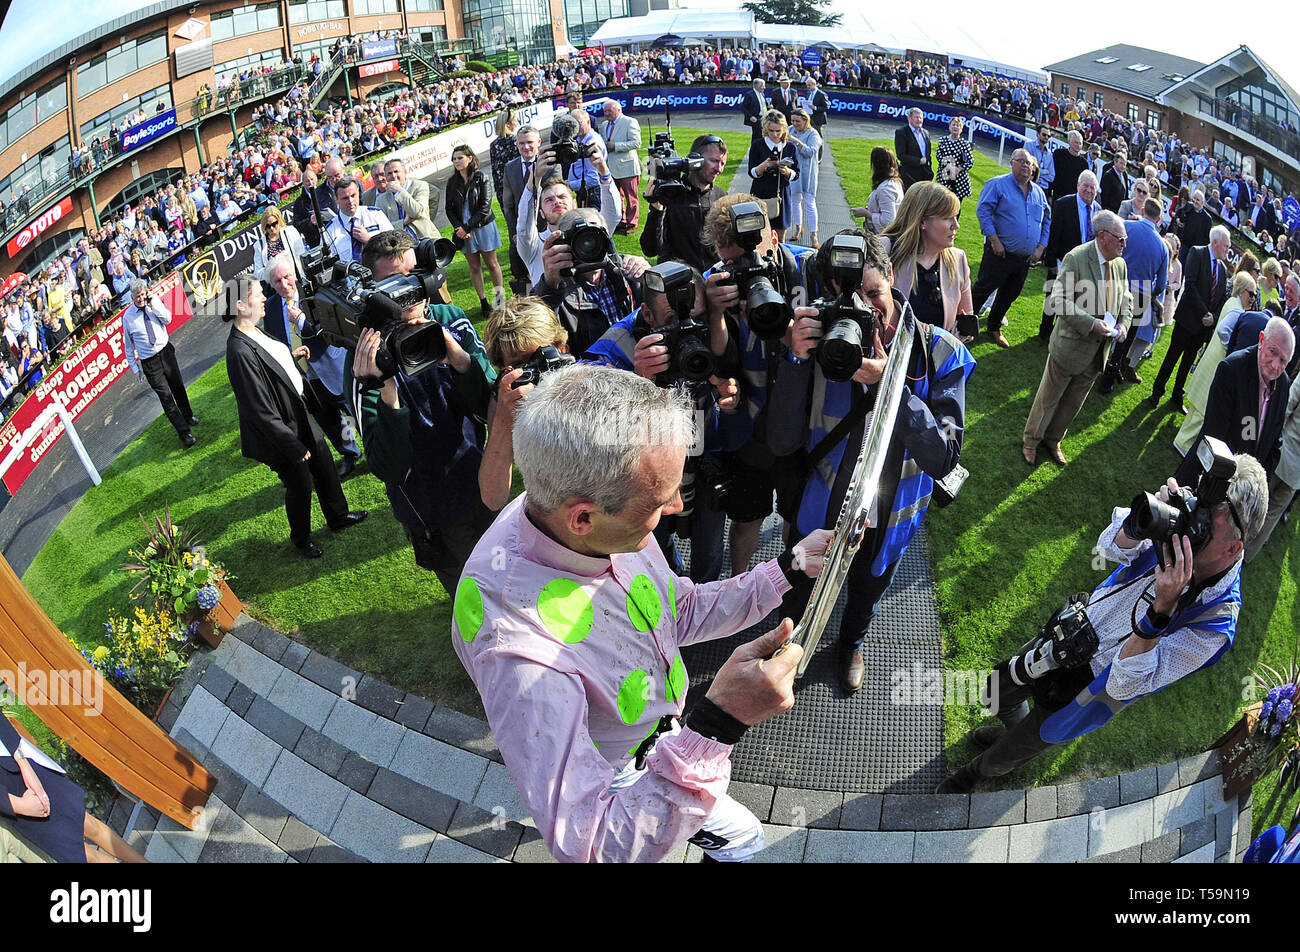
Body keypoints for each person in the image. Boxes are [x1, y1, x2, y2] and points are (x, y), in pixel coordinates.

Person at [451, 360, 832, 862]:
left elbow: (680, 611)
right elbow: (594, 848)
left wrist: (787, 567)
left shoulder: (575, 505)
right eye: (658, 499)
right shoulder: (521, 655)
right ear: (583, 517)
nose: (675, 505)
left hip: (658, 741)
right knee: (744, 841)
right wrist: (719, 723)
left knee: (741, 839)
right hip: (619, 771)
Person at [937, 456, 1270, 793]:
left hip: (1091, 688)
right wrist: (1145, 520)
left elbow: (1125, 685)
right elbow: (1108, 545)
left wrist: (1161, 612)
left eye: (1204, 530)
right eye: (1198, 511)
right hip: (1071, 633)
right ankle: (1013, 727)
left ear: (1233, 548)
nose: (1189, 531)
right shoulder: (1183, 520)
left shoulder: (1215, 623)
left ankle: (973, 774)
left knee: (1012, 752)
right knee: (995, 689)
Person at [767, 229, 975, 692]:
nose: (863, 309)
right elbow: (781, 442)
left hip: (890, 515)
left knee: (868, 587)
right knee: (801, 587)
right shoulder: (818, 346)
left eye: (873, 293)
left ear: (891, 281)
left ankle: (850, 643)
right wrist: (798, 360)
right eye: (847, 297)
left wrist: (892, 386)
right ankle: (790, 639)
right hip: (822, 507)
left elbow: (943, 456)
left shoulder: (940, 351)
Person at [351, 230, 497, 592]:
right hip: (433, 509)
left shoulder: (451, 318)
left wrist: (460, 361)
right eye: (393, 285)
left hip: (484, 481)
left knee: (513, 573)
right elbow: (387, 465)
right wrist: (385, 388)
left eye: (415, 277)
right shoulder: (366, 358)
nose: (410, 293)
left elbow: (490, 406)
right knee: (475, 600)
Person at [225, 275, 366, 558]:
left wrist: (291, 357)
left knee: (324, 465)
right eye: (257, 295)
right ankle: (301, 540)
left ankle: (338, 516)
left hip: (299, 415)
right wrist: (292, 446)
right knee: (300, 484)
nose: (264, 298)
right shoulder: (239, 350)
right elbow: (259, 409)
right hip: (282, 432)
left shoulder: (255, 331)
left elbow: (270, 368)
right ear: (240, 304)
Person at [1023, 210, 1133, 466]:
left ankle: (1053, 440)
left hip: (1097, 353)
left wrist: (1124, 323)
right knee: (1048, 399)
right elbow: (1058, 301)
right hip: (1070, 347)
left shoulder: (1120, 264)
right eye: (1121, 239)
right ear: (1103, 236)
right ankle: (1031, 441)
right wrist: (1091, 323)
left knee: (1073, 403)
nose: (1124, 245)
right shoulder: (1076, 258)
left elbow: (1126, 298)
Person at [263, 254, 361, 478]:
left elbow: (328, 332)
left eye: (287, 277)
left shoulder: (314, 294)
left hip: (332, 368)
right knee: (326, 418)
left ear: (295, 274)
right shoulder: (270, 308)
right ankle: (350, 452)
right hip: (304, 377)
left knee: (351, 411)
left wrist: (300, 321)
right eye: (277, 281)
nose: (284, 284)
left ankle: (373, 446)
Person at [0, 715, 146, 863]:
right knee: (81, 853)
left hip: (16, 760)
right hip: (11, 799)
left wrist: (24, 763)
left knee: (88, 823)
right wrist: (19, 805)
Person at [1174, 317, 1295, 486]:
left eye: (1283, 361)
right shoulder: (1232, 370)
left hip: (1245, 491)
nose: (1276, 365)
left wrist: (1257, 483)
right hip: (1209, 479)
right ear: (1261, 340)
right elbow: (1215, 436)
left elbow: (1275, 441)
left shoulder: (1283, 384)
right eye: (1273, 351)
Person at [479, 297, 569, 511]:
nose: (535, 371)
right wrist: (504, 420)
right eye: (521, 365)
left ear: (562, 348)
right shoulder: (506, 400)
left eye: (539, 358)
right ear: (505, 370)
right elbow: (492, 497)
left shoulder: (587, 379)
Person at [534, 206, 648, 359]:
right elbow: (539, 335)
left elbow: (661, 317)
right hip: (591, 376)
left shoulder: (626, 270)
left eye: (595, 236)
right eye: (580, 239)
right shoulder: (555, 286)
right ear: (564, 245)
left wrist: (650, 280)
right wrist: (550, 284)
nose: (588, 244)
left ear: (607, 238)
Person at [971, 148, 1051, 348]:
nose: (1025, 165)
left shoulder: (1039, 194)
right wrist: (994, 240)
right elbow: (983, 212)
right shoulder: (997, 184)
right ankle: (964, 327)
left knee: (1009, 294)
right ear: (1011, 163)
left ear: (1033, 169)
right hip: (1000, 253)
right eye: (1021, 161)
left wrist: (1041, 247)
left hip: (1023, 259)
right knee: (983, 290)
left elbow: (1047, 221)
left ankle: (994, 327)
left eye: (1029, 163)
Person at [1150, 226, 1232, 412]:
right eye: (1226, 246)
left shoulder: (1223, 270)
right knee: (1172, 357)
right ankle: (1157, 391)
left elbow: (1220, 299)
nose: (1228, 250)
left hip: (1202, 328)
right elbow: (1191, 286)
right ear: (1216, 242)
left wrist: (1213, 317)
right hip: (1188, 320)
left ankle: (1177, 395)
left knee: (1187, 363)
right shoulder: (1197, 253)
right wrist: (1204, 313)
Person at [515, 145, 620, 291]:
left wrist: (603, 170)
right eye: (549, 200)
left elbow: (613, 214)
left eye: (562, 197)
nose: (557, 202)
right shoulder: (534, 245)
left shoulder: (593, 232)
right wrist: (535, 177)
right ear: (541, 213)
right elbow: (523, 226)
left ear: (574, 203)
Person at [880, 181, 974, 339]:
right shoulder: (885, 251)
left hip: (936, 361)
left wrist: (957, 338)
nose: (956, 226)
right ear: (922, 221)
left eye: (955, 217)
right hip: (889, 359)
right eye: (947, 218)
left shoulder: (958, 259)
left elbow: (967, 319)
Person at [1102, 197, 1171, 391]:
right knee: (1126, 337)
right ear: (1159, 219)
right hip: (1140, 296)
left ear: (1142, 210)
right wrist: (1152, 293)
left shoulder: (1126, 227)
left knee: (1105, 322)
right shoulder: (1162, 246)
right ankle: (1109, 378)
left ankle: (1096, 365)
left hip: (1116, 285)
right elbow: (1162, 283)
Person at [121, 279, 197, 448]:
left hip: (166, 352)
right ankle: (184, 433)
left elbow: (168, 319)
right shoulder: (127, 317)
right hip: (149, 362)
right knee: (166, 397)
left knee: (178, 387)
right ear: (132, 298)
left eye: (142, 294)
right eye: (137, 296)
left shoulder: (154, 302)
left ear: (146, 292)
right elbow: (128, 345)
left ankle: (188, 415)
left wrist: (153, 304)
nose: (140, 299)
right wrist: (135, 368)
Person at [640, 132, 729, 273]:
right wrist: (657, 207)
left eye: (722, 163)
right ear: (695, 159)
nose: (719, 169)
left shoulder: (722, 197)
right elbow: (651, 249)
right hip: (680, 282)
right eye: (713, 161)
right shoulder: (671, 194)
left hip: (714, 281)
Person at [1038, 170, 1101, 341]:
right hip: (1061, 262)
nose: (1089, 190)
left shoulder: (1098, 210)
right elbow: (1054, 234)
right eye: (1085, 186)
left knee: (1073, 301)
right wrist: (1050, 261)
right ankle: (1044, 332)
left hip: (1084, 267)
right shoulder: (1064, 204)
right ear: (1078, 186)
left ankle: (1062, 332)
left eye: (1093, 187)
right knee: (1053, 297)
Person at [445, 145, 505, 321]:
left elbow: (485, 207)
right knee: (474, 267)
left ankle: (500, 300)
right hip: (464, 231)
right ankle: (484, 302)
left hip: (484, 227)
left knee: (492, 264)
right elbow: (449, 209)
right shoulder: (452, 182)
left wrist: (467, 227)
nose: (456, 161)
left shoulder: (481, 178)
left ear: (470, 158)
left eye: (460, 158)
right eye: (454, 158)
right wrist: (459, 229)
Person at [1246, 375, 1300, 562]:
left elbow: (1285, 407)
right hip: (1295, 473)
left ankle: (1235, 544)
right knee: (1272, 513)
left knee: (1256, 503)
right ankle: (1248, 554)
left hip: (1283, 455)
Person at [747, 110, 798, 243]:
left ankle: (780, 262)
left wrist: (787, 171)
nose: (775, 135)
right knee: (760, 235)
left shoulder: (790, 147)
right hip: (761, 193)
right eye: (771, 131)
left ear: (784, 130)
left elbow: (796, 174)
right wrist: (764, 165)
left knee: (780, 237)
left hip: (782, 195)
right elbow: (751, 173)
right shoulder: (757, 145)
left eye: (778, 131)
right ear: (765, 129)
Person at [502, 124, 542, 294]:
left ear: (539, 142)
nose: (526, 147)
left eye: (530, 142)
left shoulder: (548, 164)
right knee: (519, 273)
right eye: (521, 143)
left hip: (544, 231)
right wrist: (514, 233)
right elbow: (508, 206)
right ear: (516, 145)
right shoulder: (510, 168)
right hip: (521, 232)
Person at [323, 176, 394, 264]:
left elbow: (394, 244)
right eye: (345, 198)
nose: (350, 201)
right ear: (336, 199)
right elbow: (329, 267)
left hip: (383, 269)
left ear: (358, 193)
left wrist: (369, 240)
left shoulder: (375, 214)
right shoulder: (329, 231)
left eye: (353, 195)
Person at [600, 100, 642, 235]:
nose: (606, 114)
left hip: (627, 167)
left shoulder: (630, 122)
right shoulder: (604, 125)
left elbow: (636, 143)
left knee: (631, 197)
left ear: (618, 110)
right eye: (605, 111)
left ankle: (632, 222)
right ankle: (621, 220)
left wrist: (616, 146)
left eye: (609, 111)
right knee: (616, 197)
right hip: (610, 167)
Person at [378, 157, 439, 240]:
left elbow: (416, 212)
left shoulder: (420, 186)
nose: (393, 176)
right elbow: (382, 227)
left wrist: (399, 191)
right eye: (389, 173)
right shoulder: (381, 200)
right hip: (399, 245)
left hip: (425, 240)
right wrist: (402, 223)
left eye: (396, 171)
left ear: (405, 172)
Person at [786, 108, 822, 247]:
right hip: (794, 170)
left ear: (805, 120)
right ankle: (797, 228)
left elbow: (811, 152)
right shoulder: (790, 130)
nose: (795, 124)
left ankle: (814, 234)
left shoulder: (813, 134)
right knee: (795, 200)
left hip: (808, 172)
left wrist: (796, 141)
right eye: (793, 121)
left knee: (809, 202)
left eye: (798, 121)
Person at [852, 148, 904, 234]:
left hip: (882, 239)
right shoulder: (893, 183)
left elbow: (888, 221)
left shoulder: (886, 189)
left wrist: (866, 213)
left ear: (876, 165)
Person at [250, 206, 307, 285]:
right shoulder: (259, 245)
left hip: (297, 279)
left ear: (279, 220)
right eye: (268, 226)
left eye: (274, 224)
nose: (272, 228)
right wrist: (273, 265)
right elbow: (257, 274)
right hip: (277, 287)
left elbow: (302, 255)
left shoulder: (290, 231)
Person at [935, 115, 974, 201]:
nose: (955, 127)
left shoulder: (965, 144)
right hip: (944, 175)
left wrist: (958, 169)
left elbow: (970, 162)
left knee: (956, 205)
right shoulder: (943, 140)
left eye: (958, 125)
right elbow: (938, 155)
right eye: (953, 125)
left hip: (959, 178)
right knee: (941, 203)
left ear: (961, 129)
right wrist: (949, 166)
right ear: (949, 126)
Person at [894, 107, 933, 191]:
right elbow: (901, 155)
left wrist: (929, 170)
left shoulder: (926, 133)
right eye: (916, 117)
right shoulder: (902, 132)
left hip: (924, 175)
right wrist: (918, 161)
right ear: (909, 118)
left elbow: (928, 154)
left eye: (921, 117)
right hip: (909, 175)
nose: (919, 120)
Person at [1050, 131, 1088, 201]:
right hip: (1057, 194)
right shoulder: (1059, 154)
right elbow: (1052, 174)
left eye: (1080, 143)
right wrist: (1050, 192)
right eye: (1076, 142)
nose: (1078, 145)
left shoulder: (1084, 163)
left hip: (1072, 199)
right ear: (1069, 142)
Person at [1025, 126, 1056, 200]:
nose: (1046, 137)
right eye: (1044, 135)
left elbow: (1051, 176)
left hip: (1043, 190)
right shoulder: (1029, 145)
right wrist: (1045, 171)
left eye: (1049, 136)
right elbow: (1028, 168)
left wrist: (1037, 171)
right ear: (1037, 134)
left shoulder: (1049, 154)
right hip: (1030, 185)